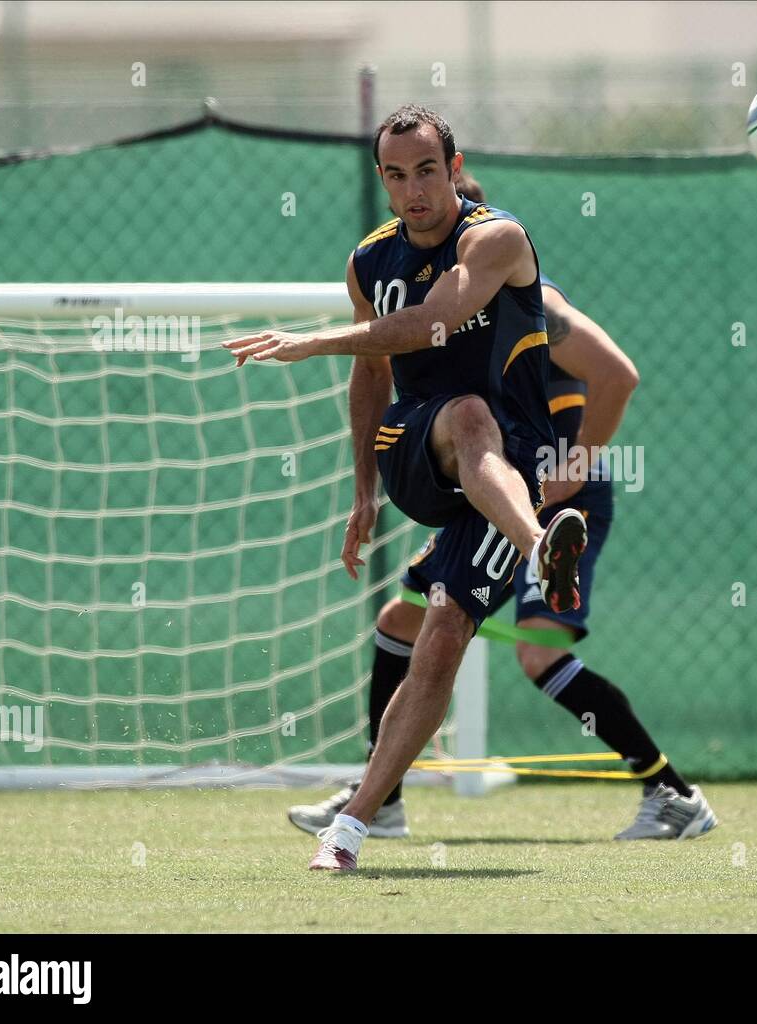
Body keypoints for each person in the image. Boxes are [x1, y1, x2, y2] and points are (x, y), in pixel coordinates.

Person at [286, 171, 718, 842]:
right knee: (404, 618)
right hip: (488, 480)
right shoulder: (432, 311)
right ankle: (385, 793)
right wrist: (369, 485)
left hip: (548, 489)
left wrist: (572, 469)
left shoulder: (531, 302)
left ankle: (672, 792)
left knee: (535, 653)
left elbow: (617, 375)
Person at [224, 105, 586, 871]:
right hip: (415, 446)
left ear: (454, 169)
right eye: (396, 174)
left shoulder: (497, 238)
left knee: (445, 631)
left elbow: (435, 321)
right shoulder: (368, 263)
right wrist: (362, 491)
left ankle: (355, 824)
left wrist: (313, 339)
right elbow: (373, 371)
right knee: (462, 412)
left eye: (427, 170)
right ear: (382, 180)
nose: (413, 188)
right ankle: (540, 548)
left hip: (506, 468)